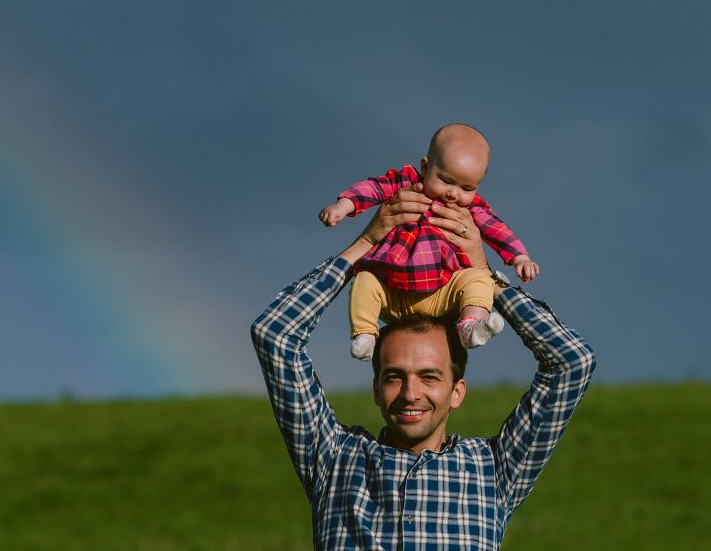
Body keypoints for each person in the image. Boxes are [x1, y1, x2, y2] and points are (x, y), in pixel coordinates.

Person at [253, 189, 595, 550]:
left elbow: (572, 362)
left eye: (429, 376)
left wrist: (484, 276)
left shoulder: (494, 470)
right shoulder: (333, 458)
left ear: (457, 391)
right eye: (394, 376)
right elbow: (274, 335)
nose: (410, 394)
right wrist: (362, 247)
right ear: (375, 388)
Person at [318, 124, 540, 360]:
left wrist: (520, 257)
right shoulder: (407, 183)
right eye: (446, 180)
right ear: (425, 167)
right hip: (393, 291)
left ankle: (470, 325)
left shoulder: (471, 208)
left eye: (467, 188)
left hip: (442, 294)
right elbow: (373, 188)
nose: (453, 194)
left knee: (478, 278)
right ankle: (365, 335)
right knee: (365, 278)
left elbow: (497, 228)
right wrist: (344, 205)